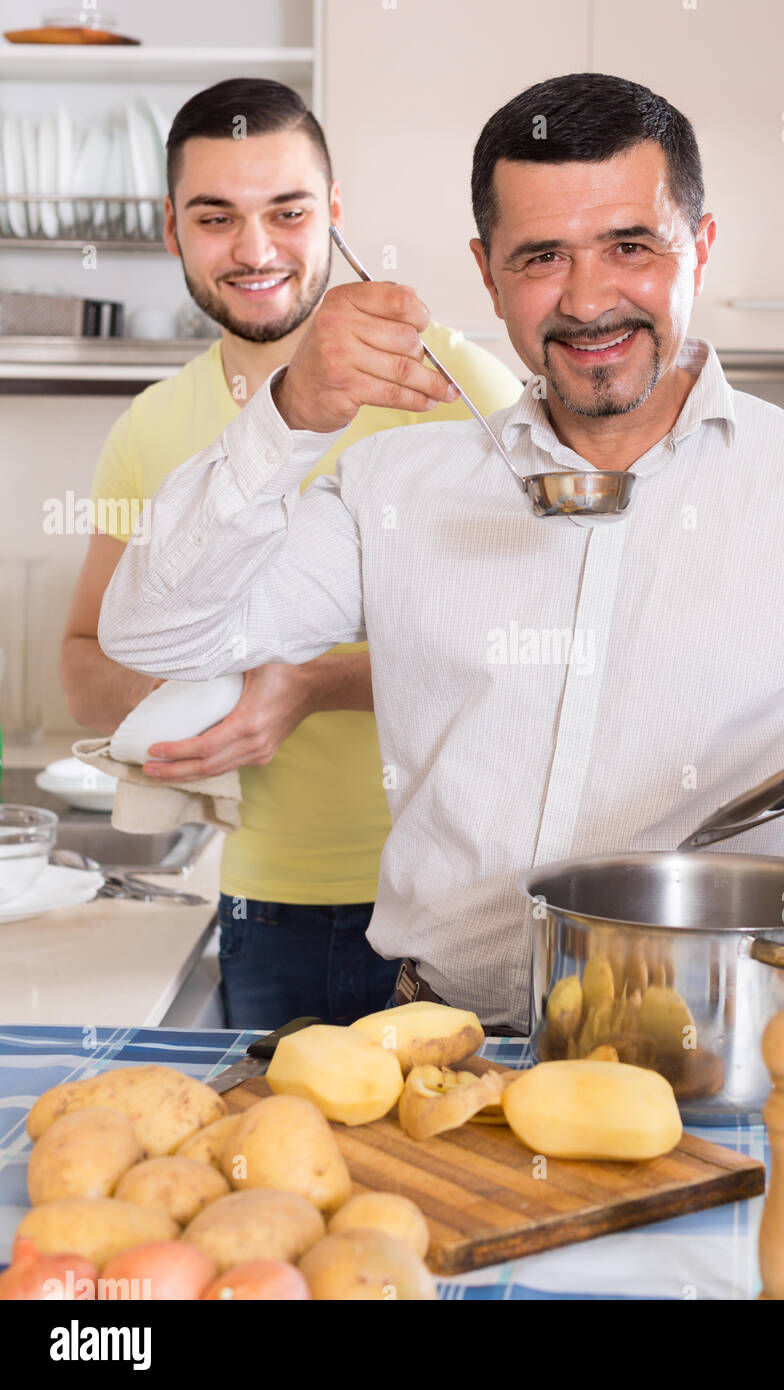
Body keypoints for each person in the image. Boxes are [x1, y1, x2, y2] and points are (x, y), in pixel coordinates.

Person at [97, 72, 784, 1035]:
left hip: (729, 1055)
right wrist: (285, 413)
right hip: (445, 1051)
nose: (587, 300)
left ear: (698, 246)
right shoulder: (394, 487)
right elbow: (158, 632)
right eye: (540, 256)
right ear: (487, 273)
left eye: (630, 245)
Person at [60, 78, 524, 1028]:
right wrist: (194, 693)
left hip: (469, 897)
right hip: (273, 904)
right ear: (171, 229)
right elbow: (82, 656)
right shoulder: (149, 428)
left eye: (288, 211)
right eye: (216, 216)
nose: (256, 249)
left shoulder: (451, 383)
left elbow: (537, 636)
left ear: (336, 215)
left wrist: (308, 685)